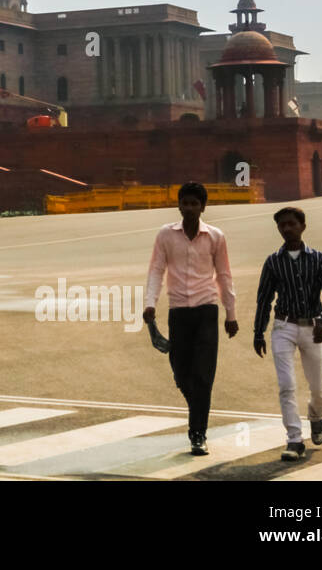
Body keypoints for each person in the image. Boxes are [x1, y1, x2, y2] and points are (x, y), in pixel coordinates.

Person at [144, 181, 238, 456]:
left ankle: (198, 432)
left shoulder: (216, 237)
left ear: (203, 207)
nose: (189, 208)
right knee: (180, 372)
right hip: (178, 312)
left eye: (194, 204)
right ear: (179, 205)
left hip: (207, 309)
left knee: (203, 374)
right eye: (184, 203)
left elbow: (224, 275)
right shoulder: (166, 235)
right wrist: (150, 304)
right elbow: (156, 270)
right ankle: (198, 404)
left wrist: (230, 313)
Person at [253, 206, 322, 461]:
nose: (287, 229)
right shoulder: (273, 262)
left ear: (303, 226)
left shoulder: (318, 259)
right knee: (286, 386)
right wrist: (258, 332)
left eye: (291, 224)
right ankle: (294, 439)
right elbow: (264, 299)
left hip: (313, 328)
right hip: (284, 327)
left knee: (318, 389)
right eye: (282, 225)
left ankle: (316, 417)